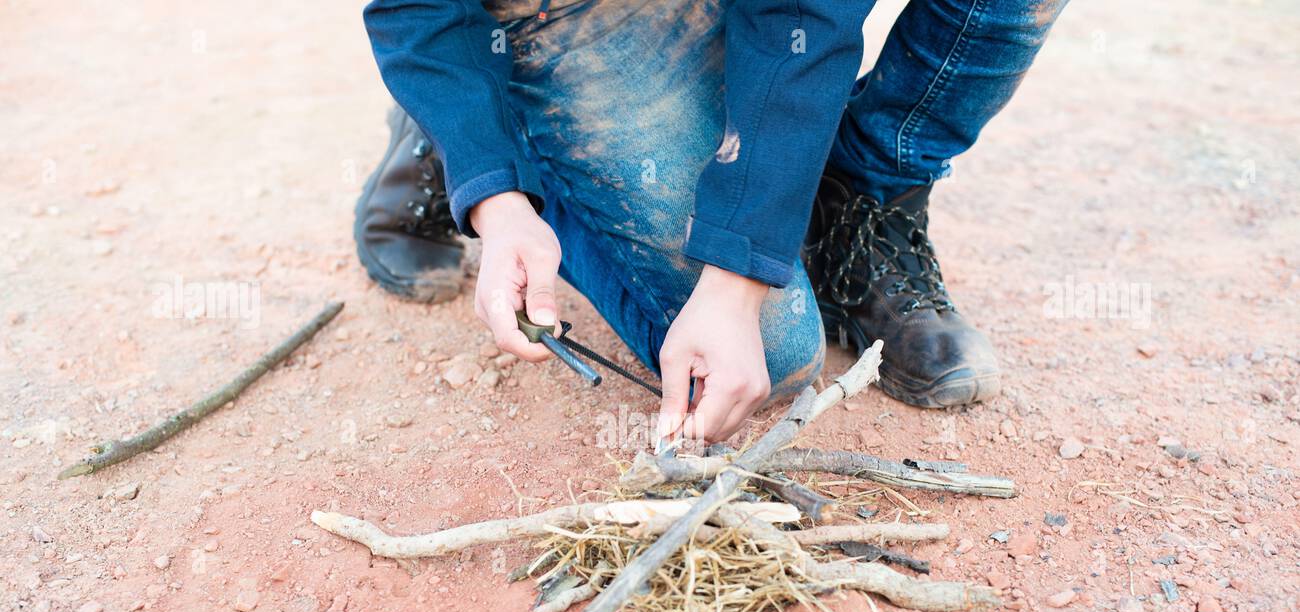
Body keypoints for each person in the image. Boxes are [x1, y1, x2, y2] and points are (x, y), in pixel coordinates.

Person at [355, 0, 1067, 443]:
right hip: (554, 11)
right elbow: (413, 4)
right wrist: (498, 195)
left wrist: (737, 275)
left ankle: (862, 202)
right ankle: (480, 123)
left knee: (741, 316)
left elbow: (804, 14)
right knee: (777, 358)